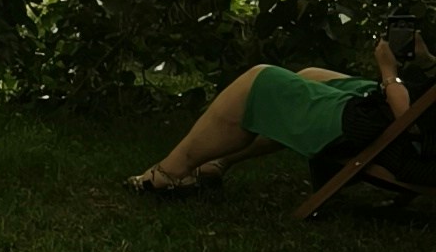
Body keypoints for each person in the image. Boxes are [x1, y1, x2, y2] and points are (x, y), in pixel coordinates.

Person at [134, 31, 421, 195]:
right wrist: (428, 61)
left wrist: (388, 72)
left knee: (261, 81)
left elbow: (410, 125)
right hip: (409, 112)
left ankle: (168, 174)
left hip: (403, 139)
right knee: (310, 77)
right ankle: (217, 161)